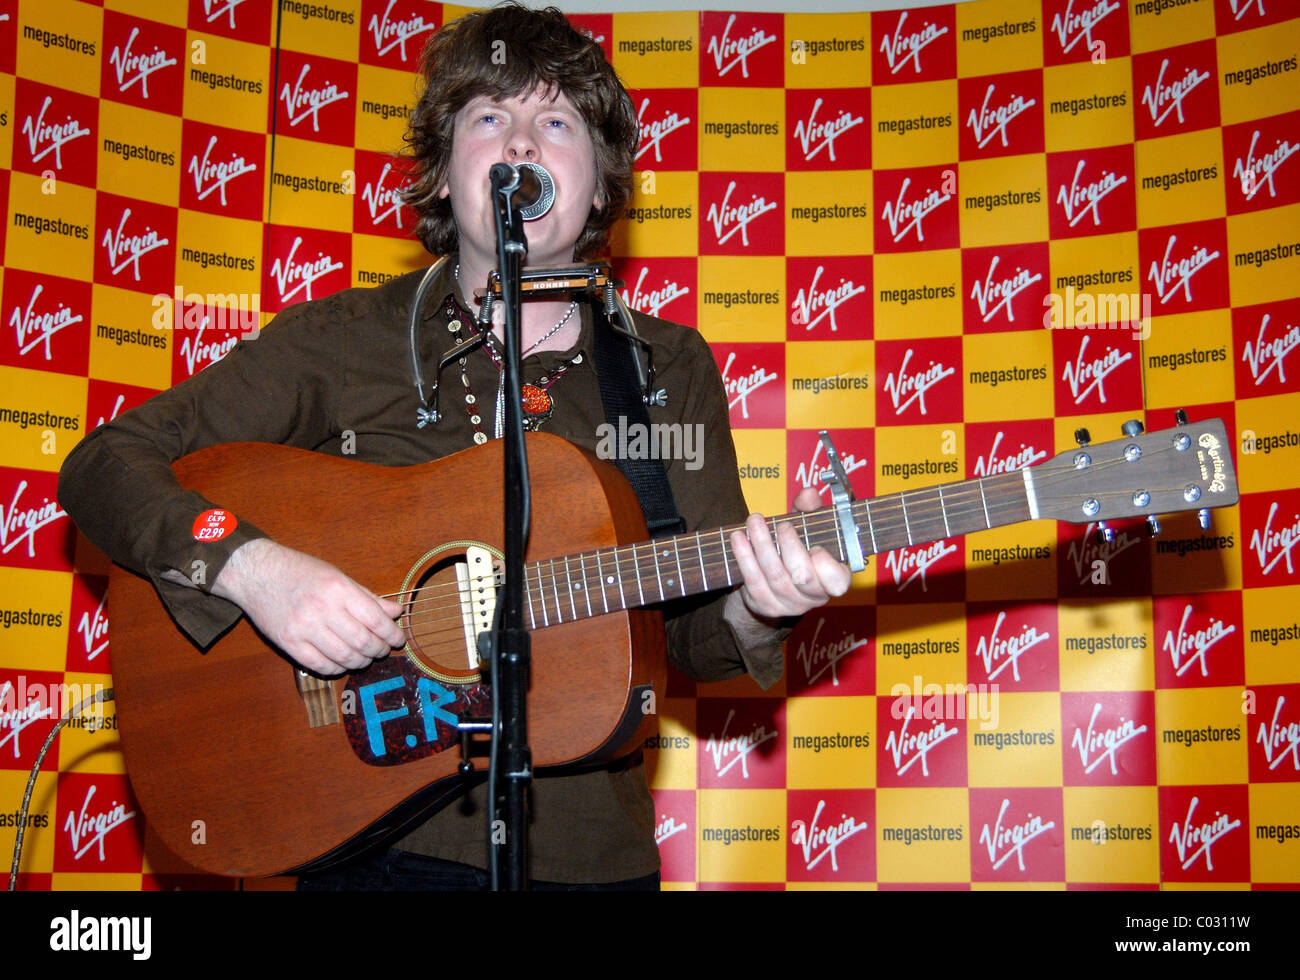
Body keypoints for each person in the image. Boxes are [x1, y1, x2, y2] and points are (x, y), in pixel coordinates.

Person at [58, 2, 851, 889]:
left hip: (586, 857)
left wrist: (761, 604)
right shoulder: (345, 337)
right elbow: (105, 464)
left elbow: (694, 636)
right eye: (488, 116)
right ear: (442, 174)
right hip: (374, 844)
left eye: (555, 121)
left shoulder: (665, 366)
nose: (520, 142)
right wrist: (255, 570)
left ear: (600, 186)